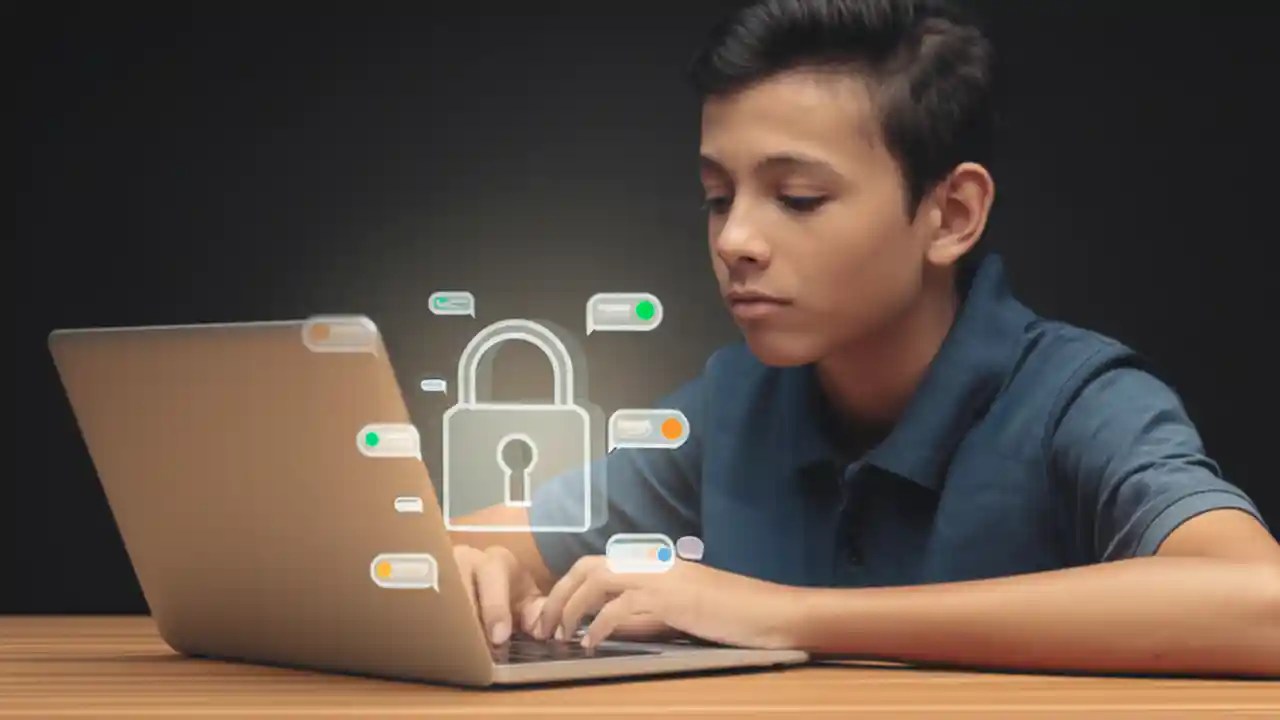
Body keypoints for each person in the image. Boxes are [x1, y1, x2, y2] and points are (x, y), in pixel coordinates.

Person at [448, 0, 1279, 677]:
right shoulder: (736, 407)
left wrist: (782, 614)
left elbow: (1263, 603)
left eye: (798, 197)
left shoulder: (1079, 398)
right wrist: (475, 568)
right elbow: (465, 539)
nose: (736, 239)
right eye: (716, 196)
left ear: (950, 214)